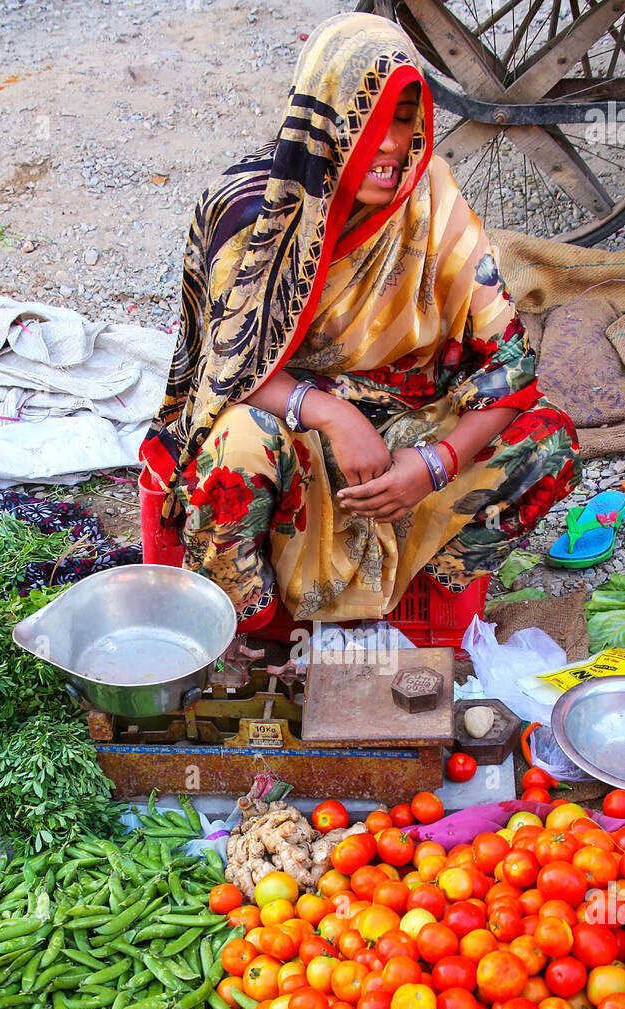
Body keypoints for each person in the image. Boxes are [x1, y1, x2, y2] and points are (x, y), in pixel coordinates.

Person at [141, 12, 579, 630]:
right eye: (369, 118)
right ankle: (252, 635)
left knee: (547, 439)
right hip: (291, 429)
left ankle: (418, 605)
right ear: (325, 117)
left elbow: (509, 366)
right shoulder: (251, 211)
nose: (394, 144)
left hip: (406, 431)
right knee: (233, 448)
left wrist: (434, 465)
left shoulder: (432, 200)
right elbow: (225, 373)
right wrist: (332, 414)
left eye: (405, 119)